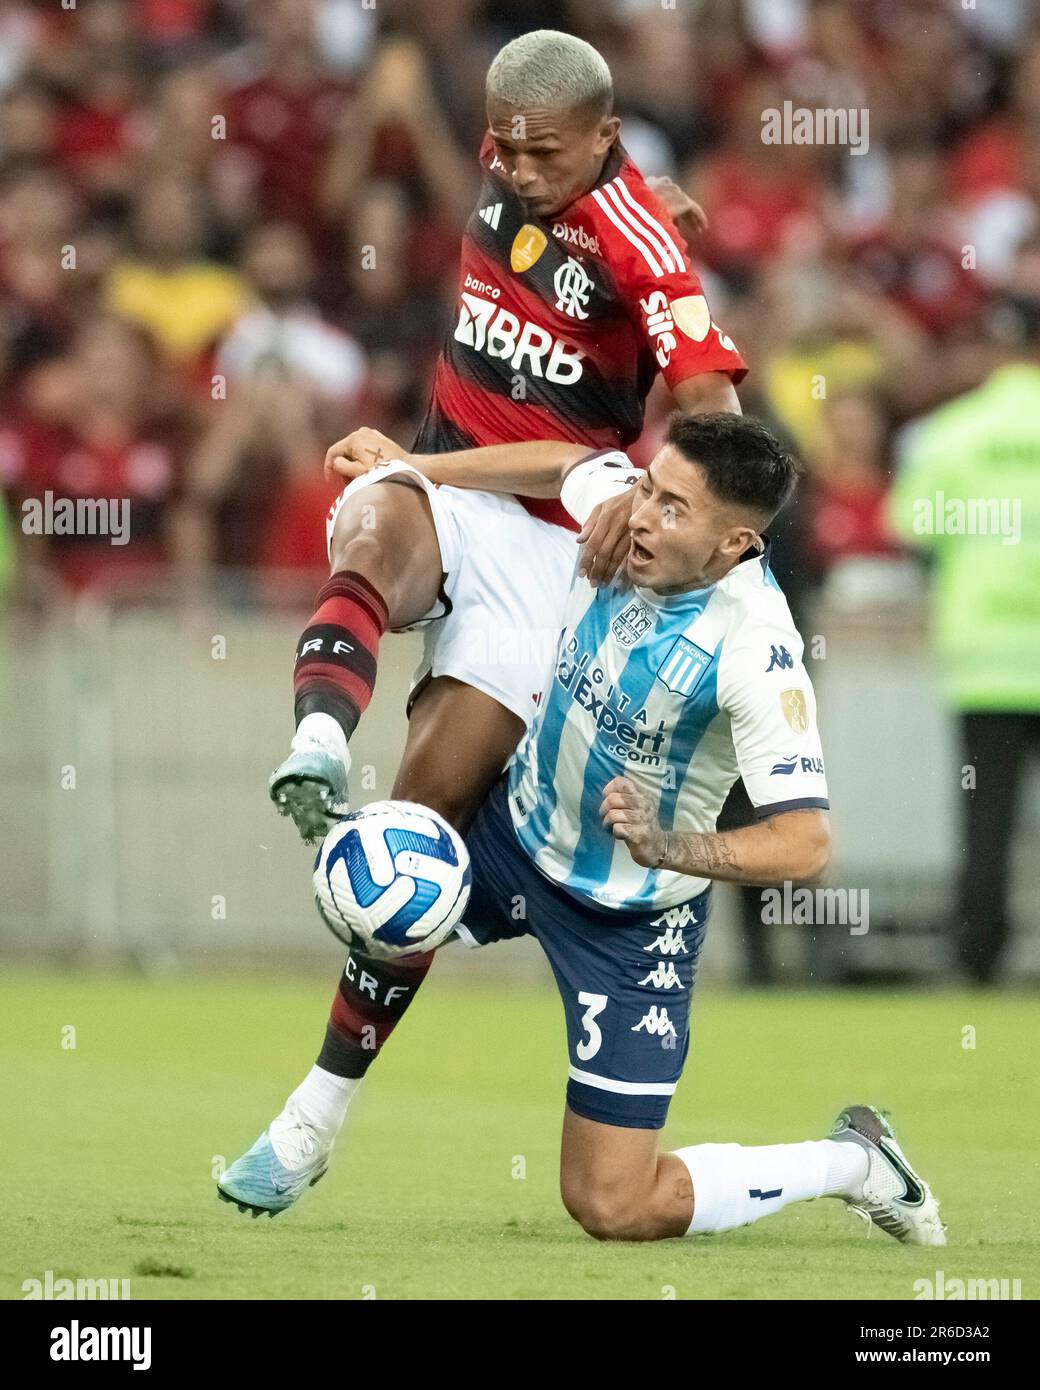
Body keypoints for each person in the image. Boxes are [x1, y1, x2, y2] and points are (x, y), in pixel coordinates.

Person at [220, 413, 945, 1247]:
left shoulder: (756, 650)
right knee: (390, 894)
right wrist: (418, 463)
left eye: (673, 509)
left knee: (613, 1205)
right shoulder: (620, 514)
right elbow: (573, 459)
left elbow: (808, 842)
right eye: (648, 486)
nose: (639, 515)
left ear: (734, 544)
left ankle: (856, 1162)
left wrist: (672, 847)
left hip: (632, 917)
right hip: (517, 833)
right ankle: (310, 1122)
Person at [258, 30, 744, 1129]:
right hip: (447, 492)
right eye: (505, 151)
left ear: (605, 136)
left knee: (420, 822)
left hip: (545, 540)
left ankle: (316, 1111)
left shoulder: (645, 248)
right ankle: (316, 742)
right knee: (373, 523)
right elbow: (560, 203)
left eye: (544, 157)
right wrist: (607, 194)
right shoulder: (521, 154)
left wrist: (714, 518)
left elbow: (708, 399)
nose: (516, 171)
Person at [889, 286, 1040, 983]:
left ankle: (979, 956)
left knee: (988, 820)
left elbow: (909, 523)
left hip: (987, 655)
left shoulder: (954, 432)